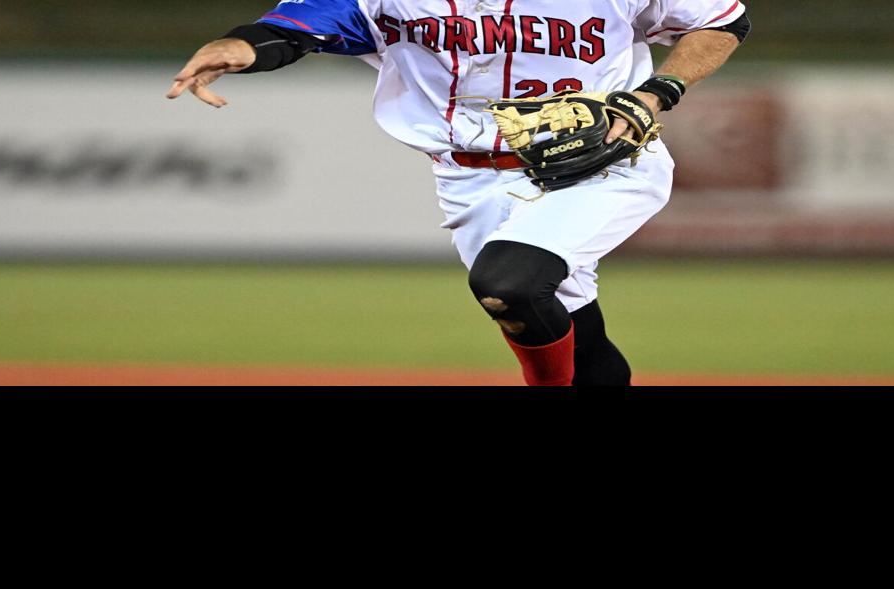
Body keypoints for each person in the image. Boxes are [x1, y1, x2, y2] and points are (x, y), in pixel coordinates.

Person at [168, 1, 749, 386]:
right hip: (469, 178)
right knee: (574, 332)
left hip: (604, 160)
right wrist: (243, 46)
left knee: (509, 283)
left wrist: (658, 91)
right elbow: (298, 28)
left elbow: (722, 21)